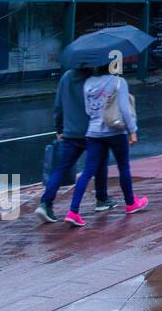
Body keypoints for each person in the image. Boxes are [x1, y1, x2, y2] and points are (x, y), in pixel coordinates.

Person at [65, 65, 147, 226]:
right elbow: (125, 109)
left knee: (88, 171)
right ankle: (130, 203)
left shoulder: (87, 83)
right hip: (115, 132)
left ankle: (73, 211)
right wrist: (133, 130)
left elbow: (88, 110)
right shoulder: (118, 82)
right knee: (123, 167)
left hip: (94, 133)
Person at [36, 67, 113, 223]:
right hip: (93, 131)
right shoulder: (96, 78)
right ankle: (102, 199)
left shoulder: (66, 77)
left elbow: (59, 104)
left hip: (70, 131)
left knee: (62, 168)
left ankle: (45, 203)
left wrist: (59, 128)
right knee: (100, 163)